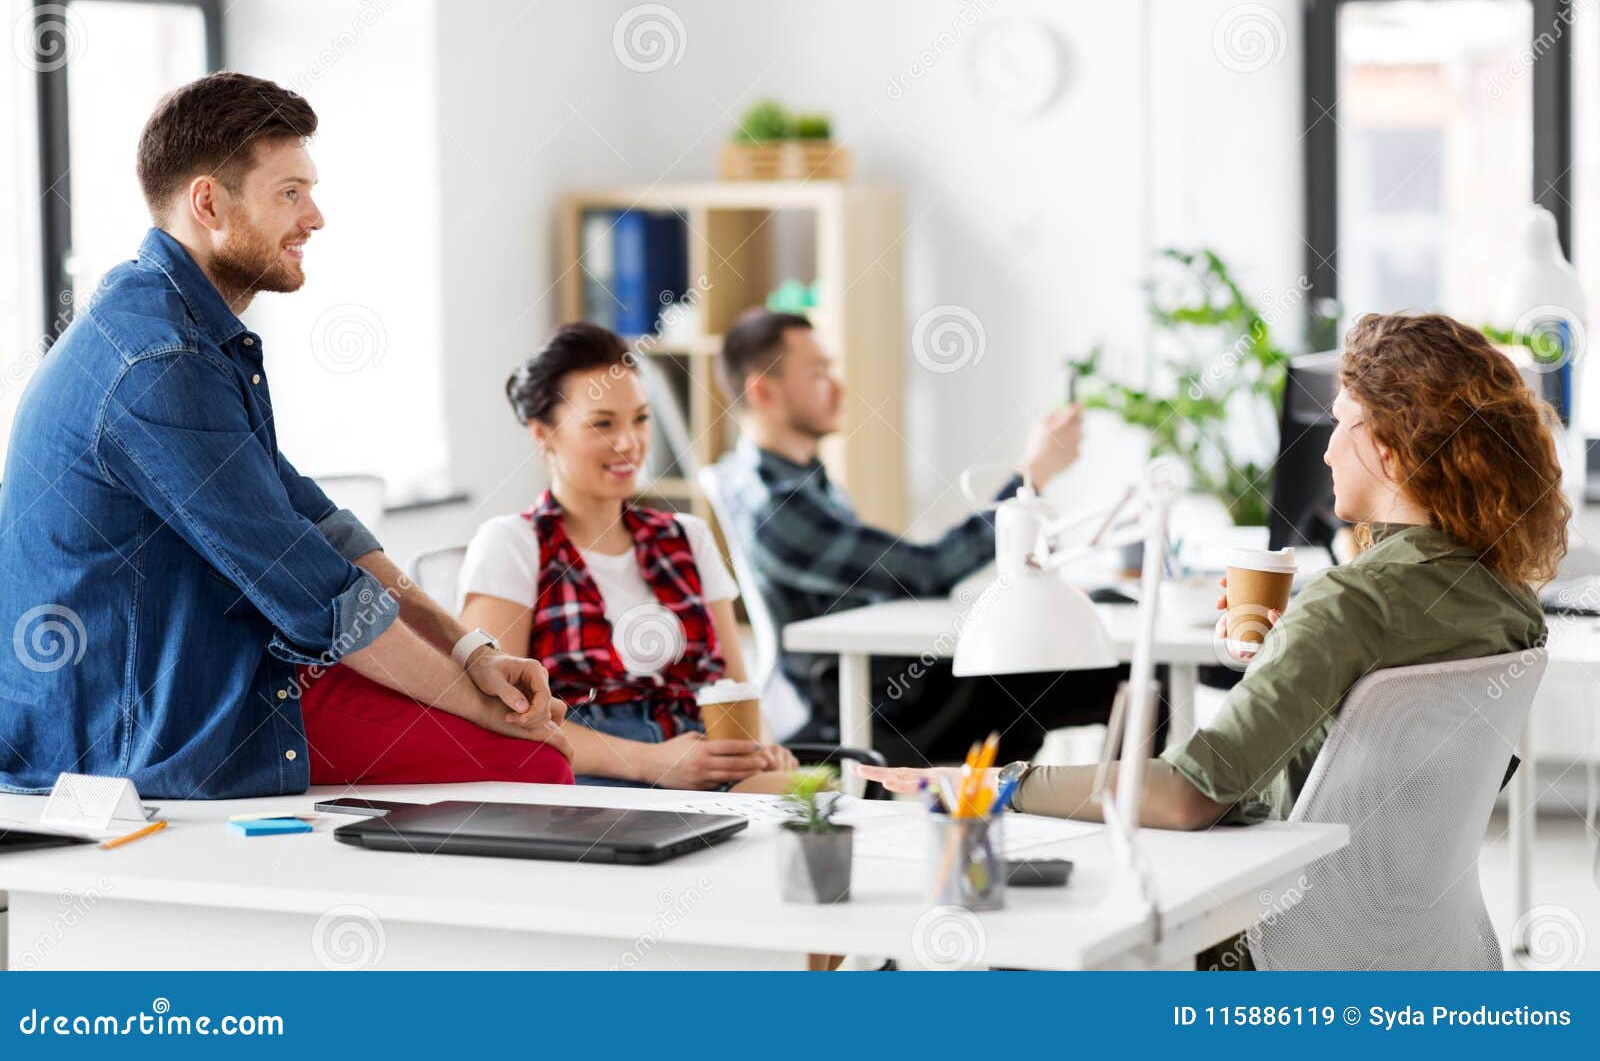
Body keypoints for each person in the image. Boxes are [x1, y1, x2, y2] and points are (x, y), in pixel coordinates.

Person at [861, 311, 1569, 963]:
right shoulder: (1505, 599)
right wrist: (1293, 663)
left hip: (1270, 954)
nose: (1324, 453)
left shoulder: (1351, 604)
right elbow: (1415, 775)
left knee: (971, 946)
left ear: (1391, 447)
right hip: (1419, 948)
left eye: (1341, 424)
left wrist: (997, 784)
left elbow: (1185, 797)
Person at [0, 73, 571, 800]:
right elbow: (319, 597)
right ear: (208, 202)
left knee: (511, 745)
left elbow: (316, 526)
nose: (316, 218)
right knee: (534, 765)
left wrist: (470, 649)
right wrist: (495, 711)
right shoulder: (158, 364)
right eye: (290, 193)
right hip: (139, 730)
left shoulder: (178, 325)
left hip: (213, 669)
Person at [715, 307, 1159, 767]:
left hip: (909, 679)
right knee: (1139, 680)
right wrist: (1033, 475)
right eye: (817, 372)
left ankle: (1115, 808)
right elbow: (925, 572)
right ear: (763, 390)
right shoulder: (775, 504)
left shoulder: (801, 480)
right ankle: (1136, 816)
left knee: (1116, 659)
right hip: (897, 703)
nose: (838, 384)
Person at [458, 324, 797, 791]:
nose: (630, 443)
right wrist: (649, 762)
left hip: (707, 770)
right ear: (543, 434)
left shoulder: (688, 537)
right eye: (602, 423)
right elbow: (497, 712)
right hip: (594, 780)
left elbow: (736, 689)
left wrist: (762, 745)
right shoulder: (513, 543)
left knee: (812, 806)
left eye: (640, 419)